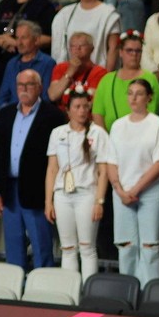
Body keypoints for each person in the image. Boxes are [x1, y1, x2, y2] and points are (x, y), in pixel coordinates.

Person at [0, 71, 65, 267]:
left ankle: (42, 287)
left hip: (37, 191)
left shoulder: (54, 116)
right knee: (13, 243)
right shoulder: (6, 114)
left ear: (40, 88)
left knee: (41, 244)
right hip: (9, 190)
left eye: (29, 85)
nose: (24, 89)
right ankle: (14, 289)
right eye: (20, 85)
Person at [45, 85, 111, 281]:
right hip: (62, 195)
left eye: (85, 107)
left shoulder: (98, 133)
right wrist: (48, 201)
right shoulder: (58, 133)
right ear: (68, 110)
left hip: (86, 194)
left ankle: (88, 291)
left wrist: (99, 200)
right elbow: (52, 169)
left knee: (87, 247)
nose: (82, 111)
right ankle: (70, 291)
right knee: (67, 247)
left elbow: (103, 170)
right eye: (77, 107)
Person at [108, 79, 159, 285]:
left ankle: (149, 292)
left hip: (150, 191)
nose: (133, 98)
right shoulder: (118, 125)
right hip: (122, 192)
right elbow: (111, 161)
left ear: (149, 97)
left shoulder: (158, 125)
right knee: (126, 246)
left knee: (150, 247)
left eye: (139, 93)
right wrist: (119, 189)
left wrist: (136, 189)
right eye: (130, 93)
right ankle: (128, 289)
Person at [51, 0, 121, 68]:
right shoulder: (66, 13)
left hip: (98, 72)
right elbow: (58, 49)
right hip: (71, 72)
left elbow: (113, 49)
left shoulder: (108, 13)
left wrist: (106, 78)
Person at [92, 32, 159, 132]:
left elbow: (152, 111)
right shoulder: (106, 80)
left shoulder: (150, 79)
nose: (134, 54)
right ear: (120, 52)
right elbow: (97, 113)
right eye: (129, 50)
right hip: (109, 138)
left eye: (138, 51)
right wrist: (106, 139)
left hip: (142, 135)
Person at [0, 22, 56, 109]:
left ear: (36, 40)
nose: (19, 43)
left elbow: (46, 98)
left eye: (24, 38)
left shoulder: (47, 63)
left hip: (36, 115)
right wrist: (8, 114)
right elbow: (2, 98)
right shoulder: (12, 64)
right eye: (17, 38)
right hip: (12, 114)